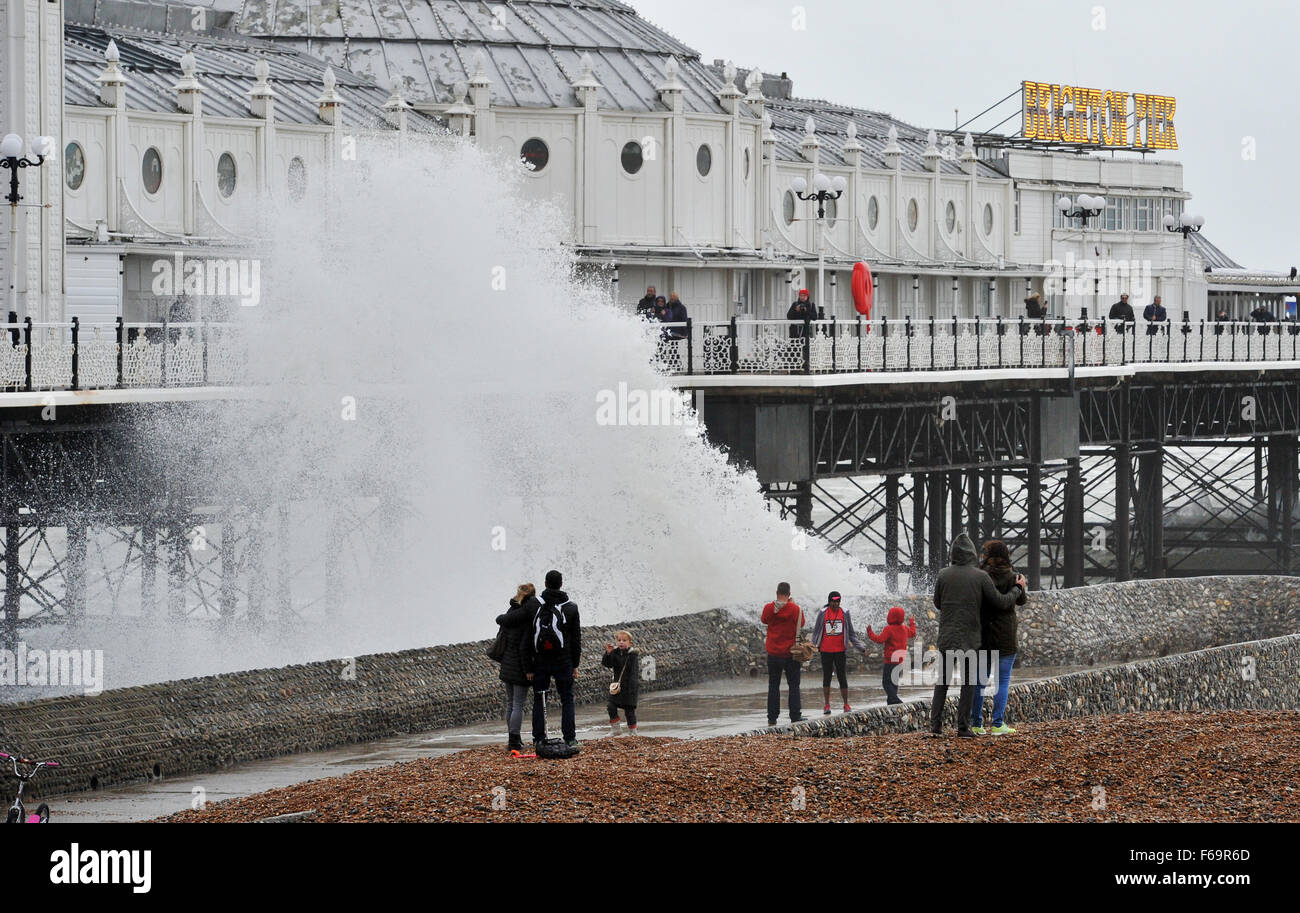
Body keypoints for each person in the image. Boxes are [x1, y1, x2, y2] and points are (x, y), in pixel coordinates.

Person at [930, 533, 1025, 738]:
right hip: (971, 637)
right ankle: (964, 728)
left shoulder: (943, 574)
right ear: (972, 554)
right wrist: (1018, 588)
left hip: (947, 636)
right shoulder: (980, 576)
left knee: (943, 680)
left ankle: (935, 726)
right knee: (969, 682)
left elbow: (937, 603)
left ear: (953, 553)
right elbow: (999, 601)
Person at [971, 541, 1027, 736]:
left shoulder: (980, 576)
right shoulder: (1013, 576)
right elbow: (1021, 600)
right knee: (1002, 681)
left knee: (980, 681)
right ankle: (997, 723)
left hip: (984, 633)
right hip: (1005, 635)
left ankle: (976, 724)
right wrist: (1020, 586)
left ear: (987, 555)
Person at [523, 569, 582, 748]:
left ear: (546, 583)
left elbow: (527, 637)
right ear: (561, 584)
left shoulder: (534, 605)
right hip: (564, 660)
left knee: (540, 698)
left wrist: (528, 667)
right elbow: (575, 639)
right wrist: (575, 664)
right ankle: (570, 738)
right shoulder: (571, 607)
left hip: (540, 660)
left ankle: (539, 738)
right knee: (567, 699)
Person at [495, 583, 539, 752]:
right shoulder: (527, 616)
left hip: (507, 662)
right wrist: (528, 669)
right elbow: (524, 647)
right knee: (518, 704)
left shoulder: (510, 611)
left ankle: (512, 738)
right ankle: (515, 740)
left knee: (510, 704)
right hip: (520, 665)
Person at [811, 591, 866, 715]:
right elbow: (816, 631)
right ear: (829, 601)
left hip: (840, 650)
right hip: (825, 650)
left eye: (837, 601)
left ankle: (846, 704)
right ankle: (826, 704)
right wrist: (811, 645)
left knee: (842, 677)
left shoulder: (845, 613)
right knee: (827, 677)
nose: (835, 604)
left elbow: (851, 633)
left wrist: (860, 647)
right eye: (833, 601)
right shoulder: (822, 613)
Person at [761, 582, 805, 726]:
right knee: (793, 685)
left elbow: (764, 620)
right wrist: (792, 604)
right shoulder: (796, 609)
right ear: (789, 593)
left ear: (777, 592)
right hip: (790, 653)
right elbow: (802, 623)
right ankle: (795, 716)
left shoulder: (769, 608)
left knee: (773, 685)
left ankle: (772, 717)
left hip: (773, 653)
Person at [866, 607, 917, 705]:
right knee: (894, 682)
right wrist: (912, 621)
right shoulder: (905, 628)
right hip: (901, 661)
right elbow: (913, 633)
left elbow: (879, 640)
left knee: (886, 683)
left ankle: (895, 700)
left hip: (890, 661)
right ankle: (891, 702)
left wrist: (869, 632)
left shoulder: (889, 629)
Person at [602, 630, 640, 735]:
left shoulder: (633, 655)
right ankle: (616, 729)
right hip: (617, 686)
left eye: (624, 640)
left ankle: (633, 732)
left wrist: (632, 689)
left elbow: (634, 673)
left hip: (629, 688)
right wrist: (608, 653)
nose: (621, 642)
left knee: (629, 711)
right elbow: (607, 664)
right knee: (611, 706)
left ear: (630, 643)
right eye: (619, 640)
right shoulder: (615, 652)